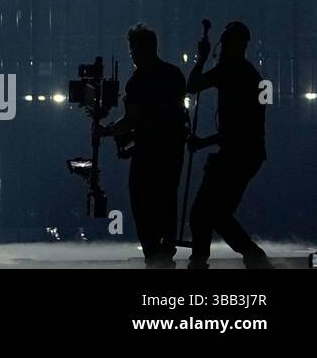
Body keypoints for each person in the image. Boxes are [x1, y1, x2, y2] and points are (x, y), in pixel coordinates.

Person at [98, 23, 188, 267]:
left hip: (148, 154)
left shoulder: (138, 82)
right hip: (173, 151)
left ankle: (152, 255)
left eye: (132, 49)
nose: (131, 55)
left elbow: (130, 120)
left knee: (143, 204)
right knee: (168, 200)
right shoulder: (174, 74)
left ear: (138, 49)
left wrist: (106, 131)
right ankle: (167, 252)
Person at [186, 21, 271, 269]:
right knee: (216, 214)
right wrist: (205, 143)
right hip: (247, 154)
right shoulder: (248, 73)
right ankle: (253, 258)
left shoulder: (230, 70)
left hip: (237, 155)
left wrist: (201, 58)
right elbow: (240, 129)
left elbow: (192, 86)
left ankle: (202, 261)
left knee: (204, 213)